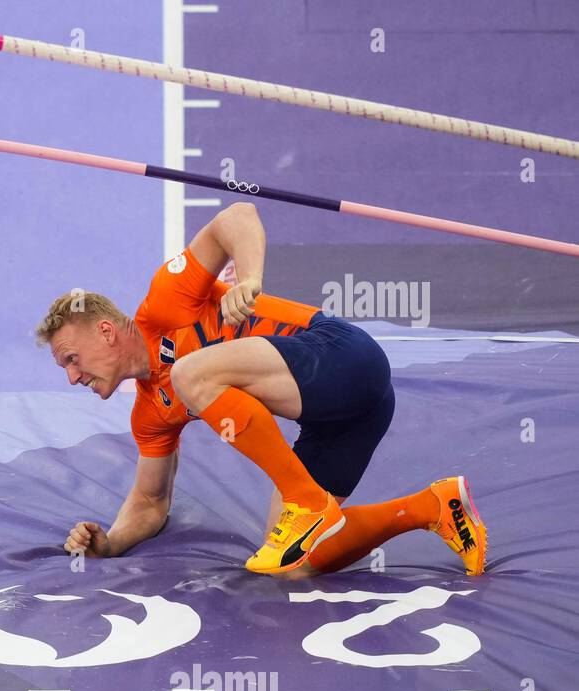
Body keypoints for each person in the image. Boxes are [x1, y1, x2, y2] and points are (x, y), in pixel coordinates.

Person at [36, 202, 486, 577]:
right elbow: (151, 503)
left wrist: (248, 279)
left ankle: (306, 503)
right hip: (346, 414)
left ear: (107, 331)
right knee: (297, 563)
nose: (73, 377)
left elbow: (238, 215)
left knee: (188, 373)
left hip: (343, 354)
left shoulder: (165, 302)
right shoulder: (151, 412)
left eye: (71, 359)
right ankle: (431, 508)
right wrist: (110, 544)